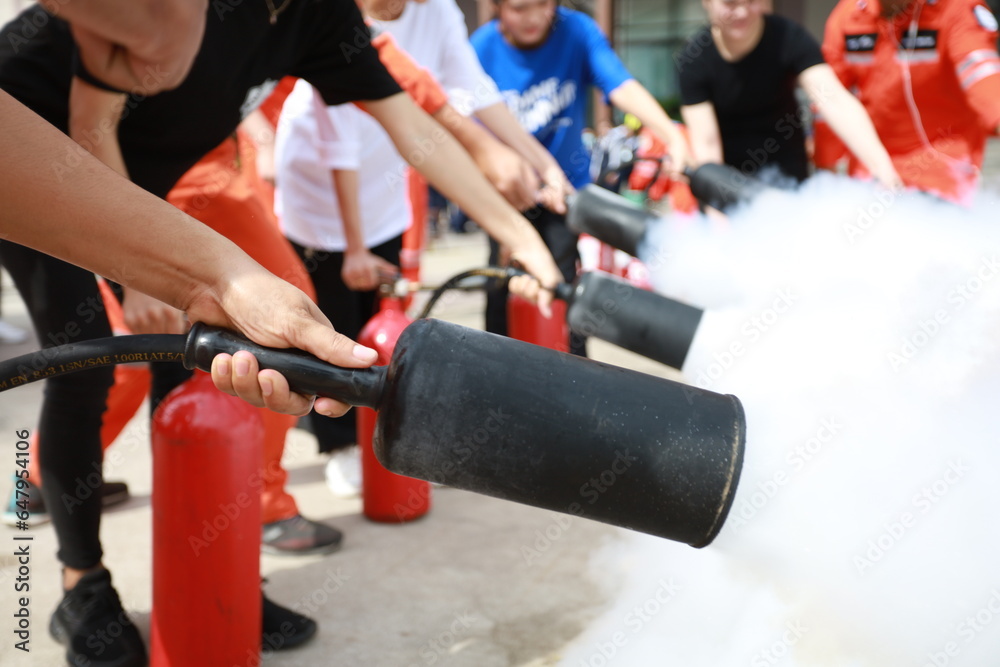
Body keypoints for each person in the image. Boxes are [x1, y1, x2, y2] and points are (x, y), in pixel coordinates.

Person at [0, 3, 561, 665]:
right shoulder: (145, 11)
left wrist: (518, 235)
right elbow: (92, 121)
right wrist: (138, 278)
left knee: (196, 372)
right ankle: (81, 583)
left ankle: (204, 574)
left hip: (144, 185)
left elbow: (415, 129)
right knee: (90, 364)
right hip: (36, 161)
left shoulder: (318, 15)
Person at [0, 89, 365, 420]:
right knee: (97, 374)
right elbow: (86, 127)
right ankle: (36, 482)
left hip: (167, 199)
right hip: (149, 190)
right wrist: (139, 285)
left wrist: (209, 285)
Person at [472, 0, 693, 356]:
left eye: (542, 4)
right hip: (505, 194)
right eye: (518, 8)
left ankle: (572, 374)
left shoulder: (576, 30)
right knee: (504, 287)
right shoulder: (480, 50)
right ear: (498, 9)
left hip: (563, 192)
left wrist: (671, 133)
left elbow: (619, 83)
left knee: (564, 287)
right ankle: (496, 372)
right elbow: (463, 125)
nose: (533, 17)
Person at [677, 0, 901, 190]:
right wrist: (717, 206)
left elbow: (832, 97)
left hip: (788, 173)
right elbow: (707, 145)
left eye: (752, 1)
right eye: (731, 3)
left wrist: (882, 169)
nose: (743, 12)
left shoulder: (788, 36)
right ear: (706, 2)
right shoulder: (694, 60)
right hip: (731, 178)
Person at [820, 0, 1000, 204]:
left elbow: (980, 70)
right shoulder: (848, 14)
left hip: (942, 164)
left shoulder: (956, 7)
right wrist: (825, 163)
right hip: (872, 163)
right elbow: (831, 96)